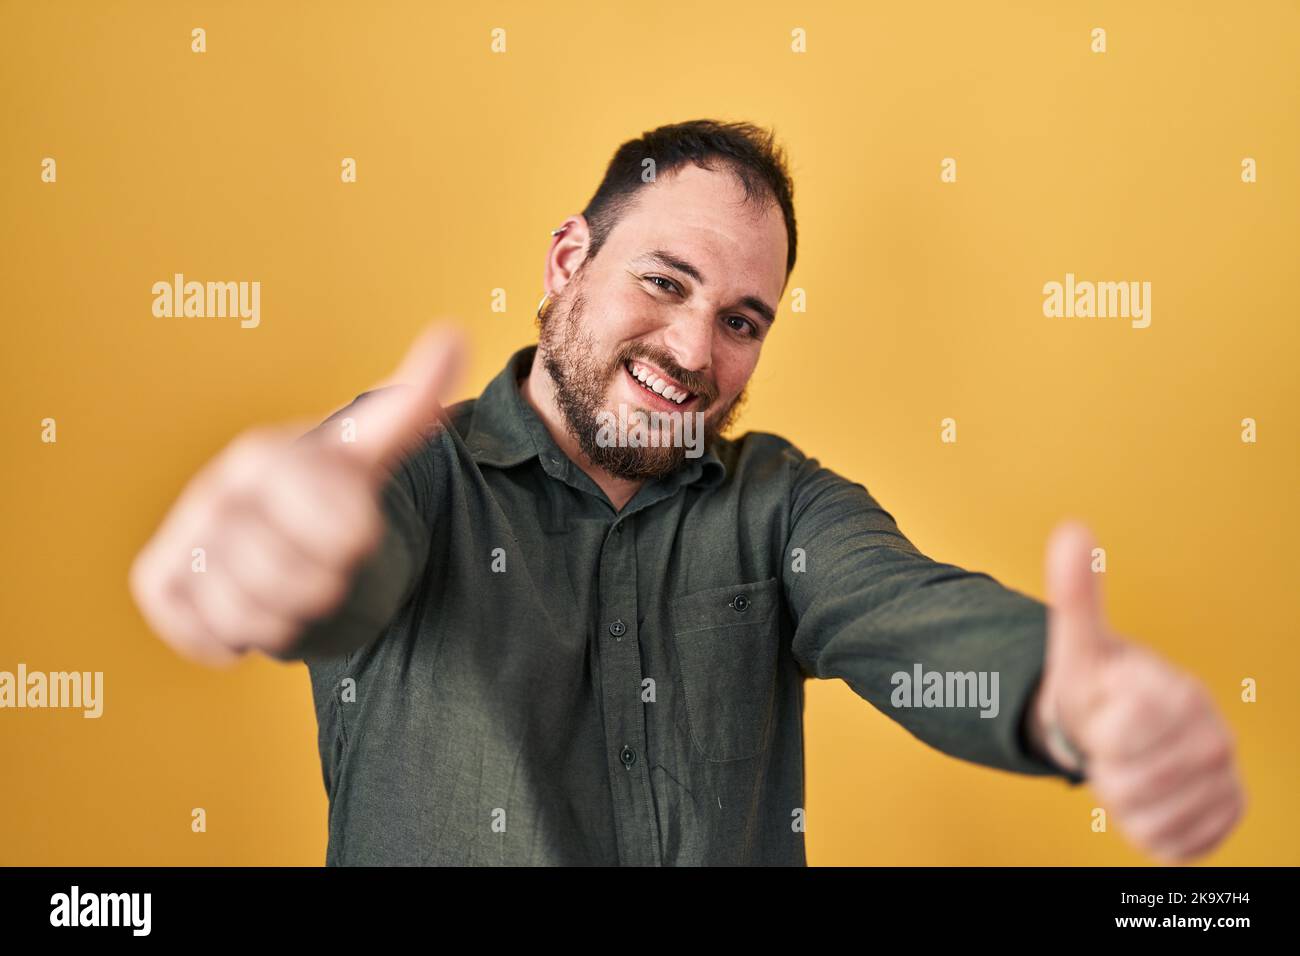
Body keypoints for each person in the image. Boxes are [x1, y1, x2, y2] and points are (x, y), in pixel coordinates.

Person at [129, 119, 1244, 866]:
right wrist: (242, 558)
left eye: (741, 319)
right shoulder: (417, 466)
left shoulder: (782, 506)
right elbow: (331, 548)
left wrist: (1067, 698)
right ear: (568, 260)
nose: (693, 348)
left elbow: (910, 615)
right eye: (664, 282)